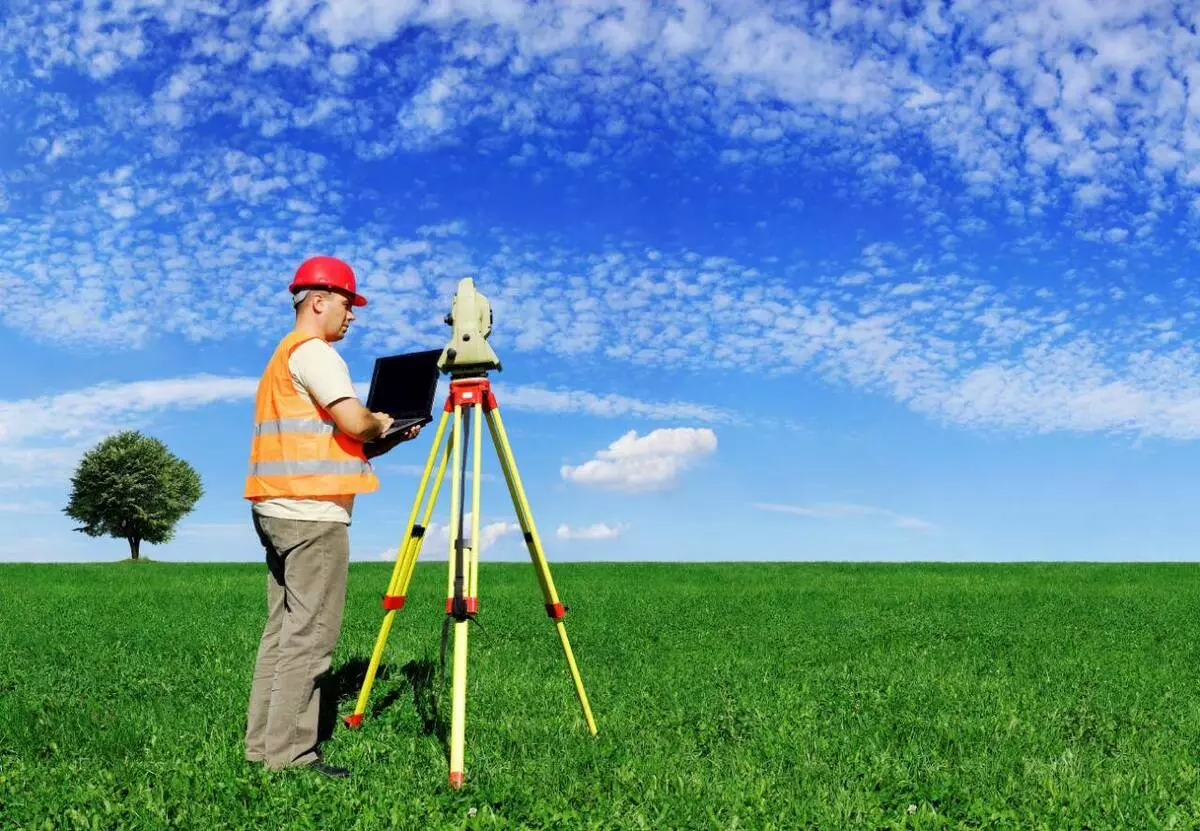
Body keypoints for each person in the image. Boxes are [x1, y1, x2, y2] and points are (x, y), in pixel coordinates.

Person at [242, 255, 420, 778]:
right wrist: (377, 421)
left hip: (277, 509)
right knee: (311, 640)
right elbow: (353, 422)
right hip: (312, 519)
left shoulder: (283, 357)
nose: (353, 315)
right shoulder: (316, 354)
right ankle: (292, 759)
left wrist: (381, 436)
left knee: (281, 636)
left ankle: (262, 748)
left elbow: (335, 445)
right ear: (318, 301)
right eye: (348, 304)